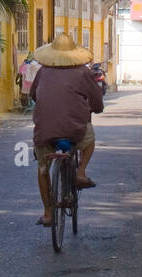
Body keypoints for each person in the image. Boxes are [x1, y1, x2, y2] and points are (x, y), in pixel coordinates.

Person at [30, 33, 104, 227]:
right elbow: (96, 100)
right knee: (90, 140)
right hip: (75, 128)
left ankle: (47, 213)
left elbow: (33, 95)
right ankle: (80, 172)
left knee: (42, 168)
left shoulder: (43, 72)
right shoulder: (83, 72)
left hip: (45, 130)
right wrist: (96, 108)